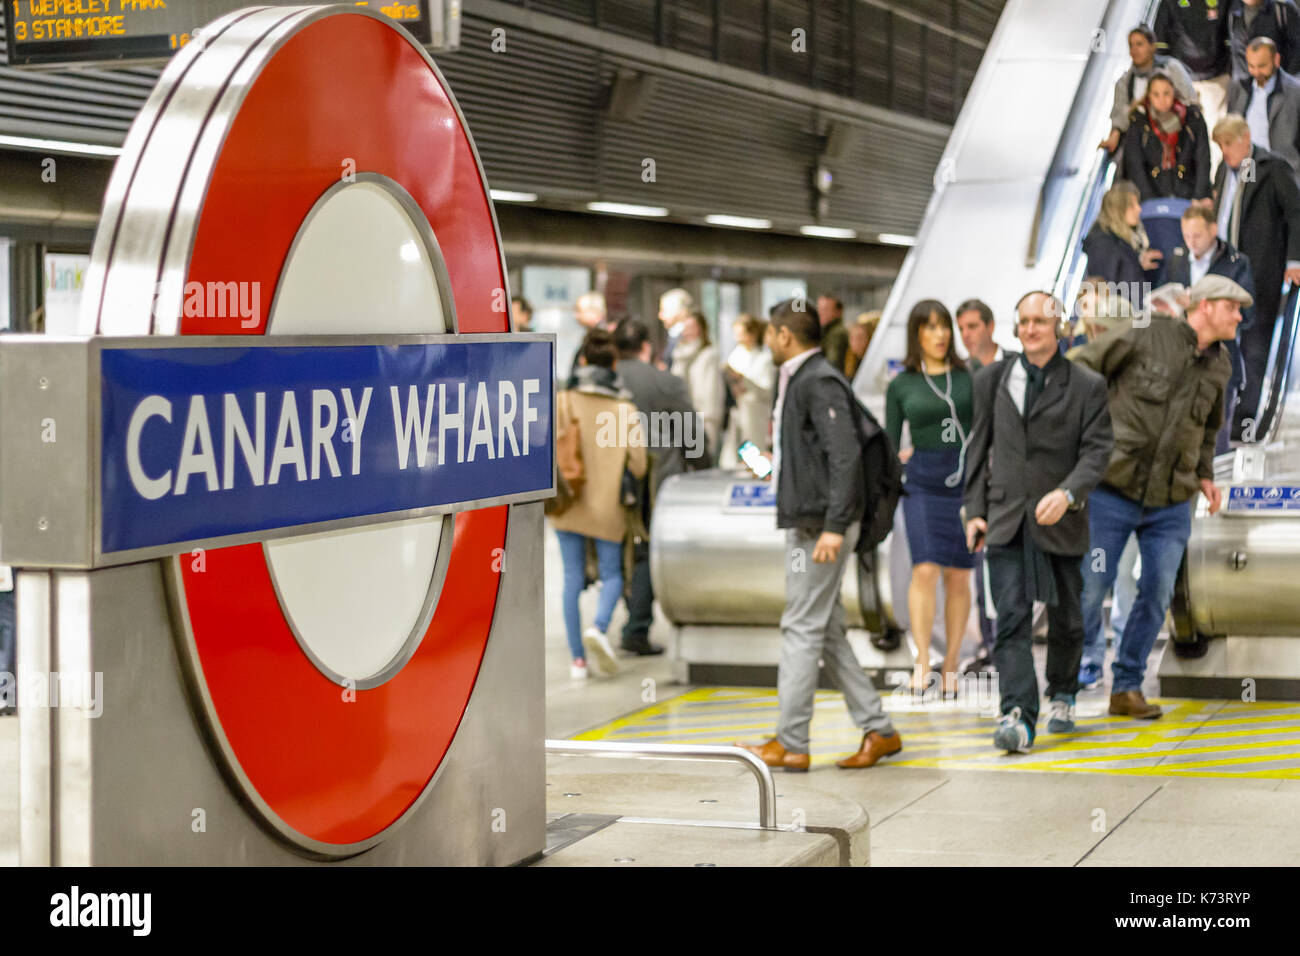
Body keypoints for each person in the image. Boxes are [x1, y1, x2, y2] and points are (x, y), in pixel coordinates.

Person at [1071, 275, 1248, 718]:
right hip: (1113, 490)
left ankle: (1126, 686)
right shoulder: (1147, 333)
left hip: (1172, 502)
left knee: (1156, 591)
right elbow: (1079, 367)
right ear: (1206, 306)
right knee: (1090, 589)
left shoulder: (1221, 365)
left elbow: (1210, 429)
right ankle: (1062, 685)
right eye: (1233, 307)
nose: (1239, 316)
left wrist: (1205, 476)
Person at [736, 299, 902, 771]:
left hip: (821, 526)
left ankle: (791, 742)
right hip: (808, 519)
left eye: (770, 332)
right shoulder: (798, 380)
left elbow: (845, 455)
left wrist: (834, 526)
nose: (767, 339)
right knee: (825, 629)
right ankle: (879, 729)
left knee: (800, 626)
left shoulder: (819, 380)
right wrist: (767, 465)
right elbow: (809, 455)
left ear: (784, 335)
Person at [964, 292, 1113, 753]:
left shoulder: (1087, 385)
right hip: (1006, 518)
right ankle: (1018, 713)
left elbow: (1098, 451)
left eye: (1040, 322)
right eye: (1024, 321)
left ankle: (1063, 692)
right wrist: (974, 510)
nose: (1030, 329)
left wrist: (1069, 493)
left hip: (1060, 520)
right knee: (1010, 618)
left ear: (1059, 327)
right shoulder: (992, 378)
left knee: (1068, 619)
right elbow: (977, 446)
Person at [886, 300, 974, 697]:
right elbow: (889, 442)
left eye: (944, 327)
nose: (940, 335)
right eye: (930, 327)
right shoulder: (902, 384)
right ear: (916, 333)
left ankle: (952, 663)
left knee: (959, 573)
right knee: (925, 569)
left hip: (965, 482)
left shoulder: (969, 377)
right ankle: (923, 660)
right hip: (921, 481)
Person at [549, 328, 647, 680]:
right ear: (615, 364)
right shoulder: (625, 409)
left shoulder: (563, 400)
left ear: (584, 360)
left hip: (568, 503)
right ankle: (600, 627)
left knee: (572, 578)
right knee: (612, 574)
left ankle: (577, 661)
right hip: (608, 508)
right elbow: (638, 464)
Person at [613, 319, 699, 656]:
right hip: (655, 481)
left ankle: (602, 626)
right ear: (646, 347)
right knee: (646, 550)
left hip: (608, 481)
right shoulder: (667, 383)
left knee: (612, 552)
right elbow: (692, 437)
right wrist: (704, 471)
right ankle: (636, 627)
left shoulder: (600, 380)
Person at [1211, 114, 1300, 438]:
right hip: (1225, 270)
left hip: (1260, 271)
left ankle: (1245, 423)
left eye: (1228, 145)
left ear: (1245, 139)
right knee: (1224, 346)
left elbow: (1295, 212)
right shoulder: (1224, 170)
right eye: (1220, 147)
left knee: (1255, 346)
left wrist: (1294, 260)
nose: (1224, 153)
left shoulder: (1273, 167)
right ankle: (1224, 418)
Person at [1168, 203, 1255, 449]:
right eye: (1186, 236)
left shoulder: (1237, 263)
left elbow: (1248, 315)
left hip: (1221, 357)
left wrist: (1213, 311)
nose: (1191, 242)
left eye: (1197, 235)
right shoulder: (1177, 260)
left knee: (1216, 441)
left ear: (1214, 230)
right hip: (1181, 358)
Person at [1156, 0, 1233, 165]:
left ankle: (1215, 183)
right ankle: (1179, 182)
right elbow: (1160, 41)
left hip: (1216, 80)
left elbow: (1231, 35)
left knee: (1217, 134)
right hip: (1181, 82)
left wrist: (1228, 71)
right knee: (1179, 134)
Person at [1101, 25, 1199, 154]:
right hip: (1142, 145)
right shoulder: (1125, 82)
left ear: (1152, 46)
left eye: (1139, 44)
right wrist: (1115, 135)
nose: (1134, 50)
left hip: (1175, 138)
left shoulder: (1171, 68)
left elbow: (1191, 102)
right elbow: (1119, 118)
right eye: (1131, 45)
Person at [1122, 72, 1213, 202]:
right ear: (1149, 95)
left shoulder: (1193, 118)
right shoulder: (1139, 122)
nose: (1162, 100)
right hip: (1152, 194)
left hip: (1188, 193)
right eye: (1156, 94)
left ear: (1174, 93)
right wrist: (1148, 200)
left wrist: (1198, 197)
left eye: (1166, 93)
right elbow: (1135, 164)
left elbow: (1203, 159)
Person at [1227, 37, 1300, 177]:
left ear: (1276, 60)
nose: (1256, 72)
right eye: (1251, 66)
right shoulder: (1238, 89)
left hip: (1285, 170)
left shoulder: (1295, 92)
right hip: (1249, 170)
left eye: (1261, 66)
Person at [1083, 182, 1162, 309]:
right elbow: (1108, 289)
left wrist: (1139, 262)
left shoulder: (1120, 239)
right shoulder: (1103, 245)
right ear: (1117, 210)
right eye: (1132, 205)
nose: (1139, 209)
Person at [669, 310, 724, 462]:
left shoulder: (708, 354)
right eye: (685, 327)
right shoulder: (679, 355)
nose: (687, 332)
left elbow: (710, 390)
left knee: (703, 458)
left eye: (691, 327)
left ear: (700, 329)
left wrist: (706, 418)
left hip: (704, 416)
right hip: (683, 415)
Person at [724, 313, 776, 453]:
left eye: (741, 334)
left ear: (752, 334)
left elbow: (767, 391)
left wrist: (744, 380)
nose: (737, 338)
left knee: (754, 454)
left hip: (756, 415)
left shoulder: (764, 359)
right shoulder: (735, 355)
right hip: (737, 412)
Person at [1228, 0, 1300, 81]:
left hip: (1278, 84)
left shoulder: (1282, 7)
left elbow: (1297, 50)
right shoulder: (1233, 6)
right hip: (1244, 84)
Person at [566, 291, 610, 382]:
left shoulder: (602, 339)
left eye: (579, 310)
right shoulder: (591, 336)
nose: (576, 316)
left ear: (595, 312)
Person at [658, 287, 695, 368]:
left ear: (680, 312)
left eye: (664, 311)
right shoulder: (674, 337)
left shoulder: (687, 339)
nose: (660, 316)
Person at [817, 294, 850, 374]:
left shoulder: (837, 333)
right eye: (819, 309)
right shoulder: (826, 331)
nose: (821, 313)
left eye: (826, 309)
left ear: (839, 312)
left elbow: (832, 363)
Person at [844, 310, 881, 382]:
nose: (855, 342)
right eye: (852, 338)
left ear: (869, 339)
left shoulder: (874, 363)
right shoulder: (849, 362)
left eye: (860, 338)